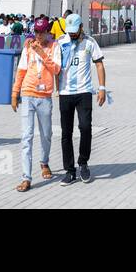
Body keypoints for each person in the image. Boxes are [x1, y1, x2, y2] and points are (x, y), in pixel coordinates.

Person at [11, 17, 61, 191]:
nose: (39, 35)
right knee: (27, 136)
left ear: (48, 32)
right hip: (28, 93)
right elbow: (21, 70)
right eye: (37, 32)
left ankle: (44, 162)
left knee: (46, 134)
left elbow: (56, 69)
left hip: (45, 96)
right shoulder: (28, 47)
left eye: (42, 32)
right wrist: (14, 92)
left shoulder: (54, 47)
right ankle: (26, 177)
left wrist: (42, 53)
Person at [56, 13, 106, 185]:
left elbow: (99, 64)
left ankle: (83, 163)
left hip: (84, 92)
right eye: (70, 31)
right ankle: (69, 171)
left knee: (85, 127)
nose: (72, 34)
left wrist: (102, 88)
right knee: (66, 132)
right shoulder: (61, 42)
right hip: (65, 92)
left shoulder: (90, 42)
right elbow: (54, 64)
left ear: (81, 27)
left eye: (75, 31)